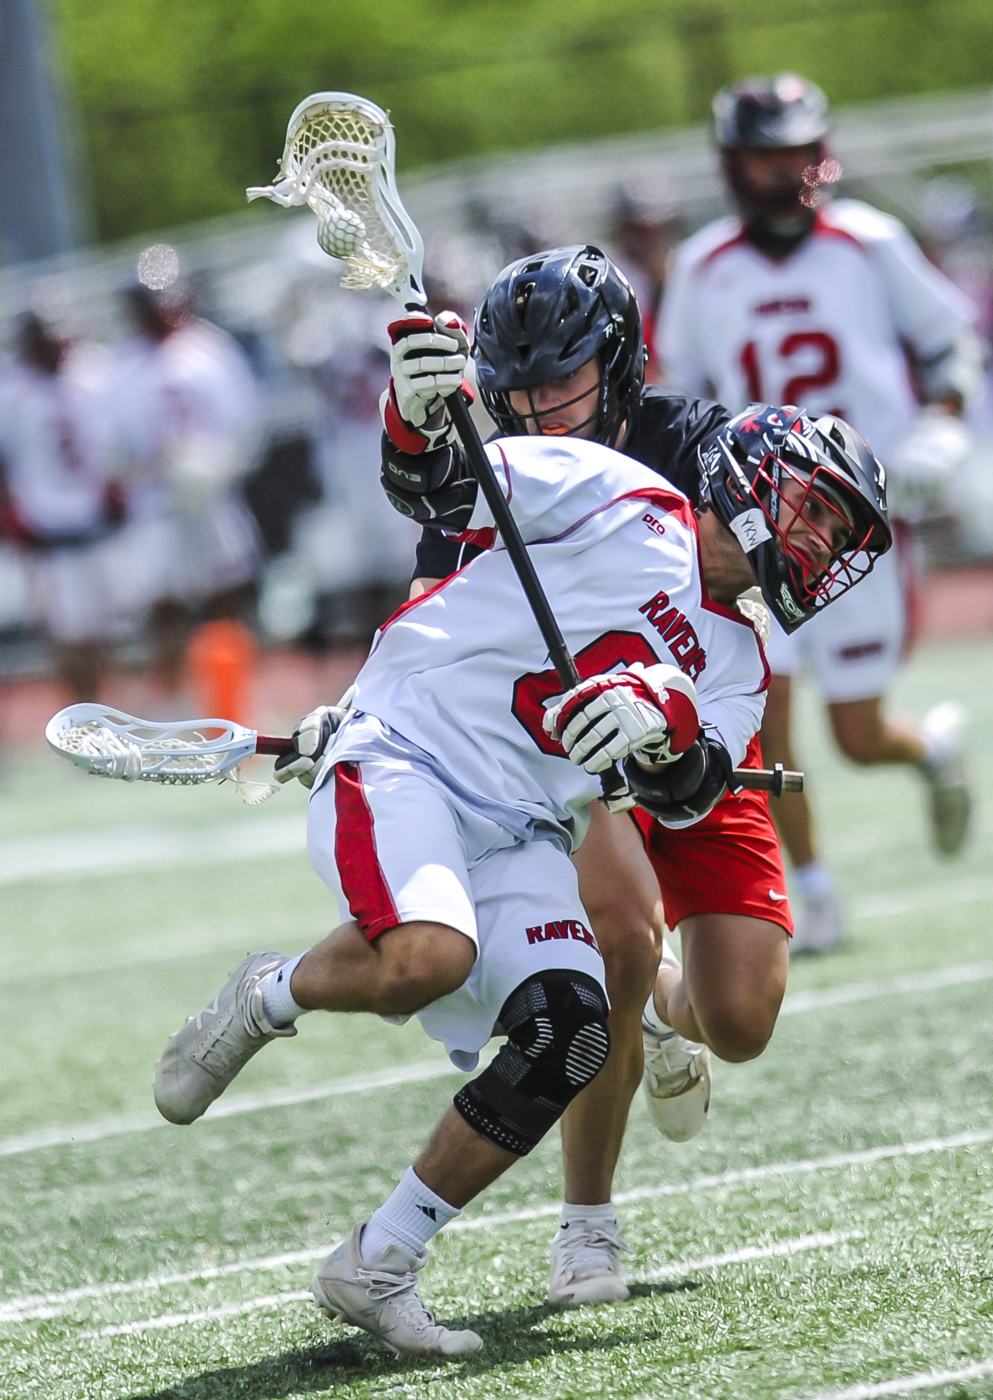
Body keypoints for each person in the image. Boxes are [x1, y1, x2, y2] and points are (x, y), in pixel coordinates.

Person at [154, 392, 887, 1356]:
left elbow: (689, 791)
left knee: (571, 1033)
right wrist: (414, 409)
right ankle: (269, 993)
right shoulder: (616, 494)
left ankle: (378, 1261)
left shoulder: (737, 661)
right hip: (408, 751)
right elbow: (437, 487)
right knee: (426, 958)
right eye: (821, 513)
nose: (825, 546)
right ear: (758, 479)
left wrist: (662, 726)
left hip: (526, 826)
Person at [373, 246, 889, 1302]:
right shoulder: (503, 451)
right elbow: (429, 539)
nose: (531, 406)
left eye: (558, 380)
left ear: (616, 365)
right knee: (612, 934)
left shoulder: (705, 449)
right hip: (557, 735)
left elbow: (742, 639)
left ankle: (665, 1005)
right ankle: (589, 1222)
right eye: (511, 387)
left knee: (739, 1017)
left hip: (692, 708)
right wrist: (414, 419)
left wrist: (677, 748)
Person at [657, 74, 985, 952]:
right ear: (734, 164)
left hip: (854, 526)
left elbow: (950, 338)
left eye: (795, 154)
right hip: (751, 529)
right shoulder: (703, 266)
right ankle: (809, 894)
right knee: (761, 719)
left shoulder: (868, 242)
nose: (781, 173)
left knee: (857, 735)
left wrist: (940, 424)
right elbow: (677, 393)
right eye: (765, 156)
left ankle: (928, 751)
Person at [110, 276, 261, 692]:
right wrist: (154, 468)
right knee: (163, 606)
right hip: (156, 504)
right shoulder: (122, 366)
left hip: (211, 497)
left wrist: (214, 466)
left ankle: (232, 698)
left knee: (225, 596)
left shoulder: (210, 350)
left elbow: (244, 422)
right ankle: (170, 701)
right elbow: (116, 446)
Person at [0, 313, 123, 701]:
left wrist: (117, 491)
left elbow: (116, 444)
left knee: (106, 631)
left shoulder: (93, 377)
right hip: (45, 530)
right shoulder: (12, 395)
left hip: (95, 523)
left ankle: (107, 712)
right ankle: (78, 717)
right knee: (66, 636)